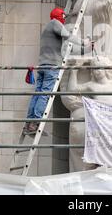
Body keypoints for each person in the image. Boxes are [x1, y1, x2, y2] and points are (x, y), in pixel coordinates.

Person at [24, 7, 90, 135]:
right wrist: (84, 42)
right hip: (52, 66)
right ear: (60, 17)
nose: (64, 21)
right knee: (45, 94)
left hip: (43, 65)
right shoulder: (55, 23)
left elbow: (64, 46)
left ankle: (29, 123)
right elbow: (67, 36)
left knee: (38, 93)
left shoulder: (48, 28)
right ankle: (35, 122)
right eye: (63, 18)